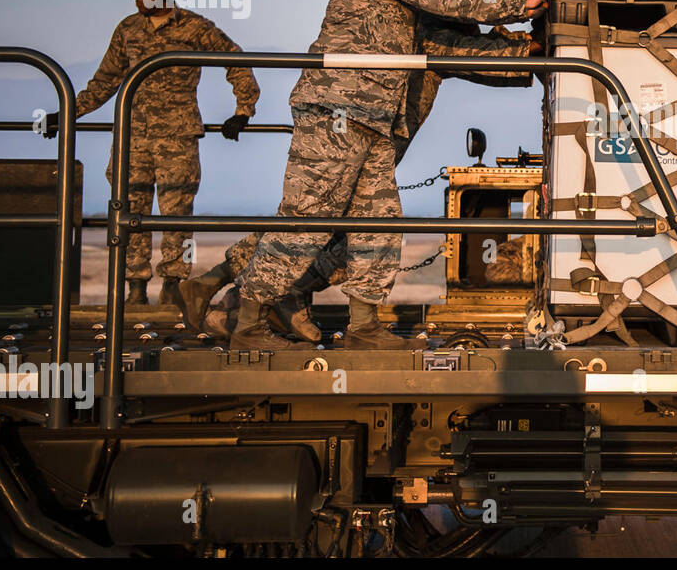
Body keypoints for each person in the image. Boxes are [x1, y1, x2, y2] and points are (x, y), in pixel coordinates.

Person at [230, 0, 551, 351]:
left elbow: (444, 42)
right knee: (307, 219)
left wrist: (523, 50)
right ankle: (247, 326)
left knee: (378, 223)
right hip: (337, 110)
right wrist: (518, 4)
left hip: (377, 117)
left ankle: (363, 328)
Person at [180, 22, 537, 342]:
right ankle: (255, 298)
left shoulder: (420, 36)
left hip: (366, 150)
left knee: (317, 225)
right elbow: (489, 59)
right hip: (363, 151)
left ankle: (222, 291)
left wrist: (508, 38)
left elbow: (485, 53)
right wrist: (535, 44)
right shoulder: (432, 39)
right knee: (330, 229)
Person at [53, 0, 259, 306]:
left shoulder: (195, 28)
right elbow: (104, 81)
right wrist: (67, 114)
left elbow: (236, 60)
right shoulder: (128, 29)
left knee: (176, 214)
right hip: (131, 138)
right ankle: (134, 288)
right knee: (129, 210)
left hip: (177, 138)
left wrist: (242, 112)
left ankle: (173, 287)